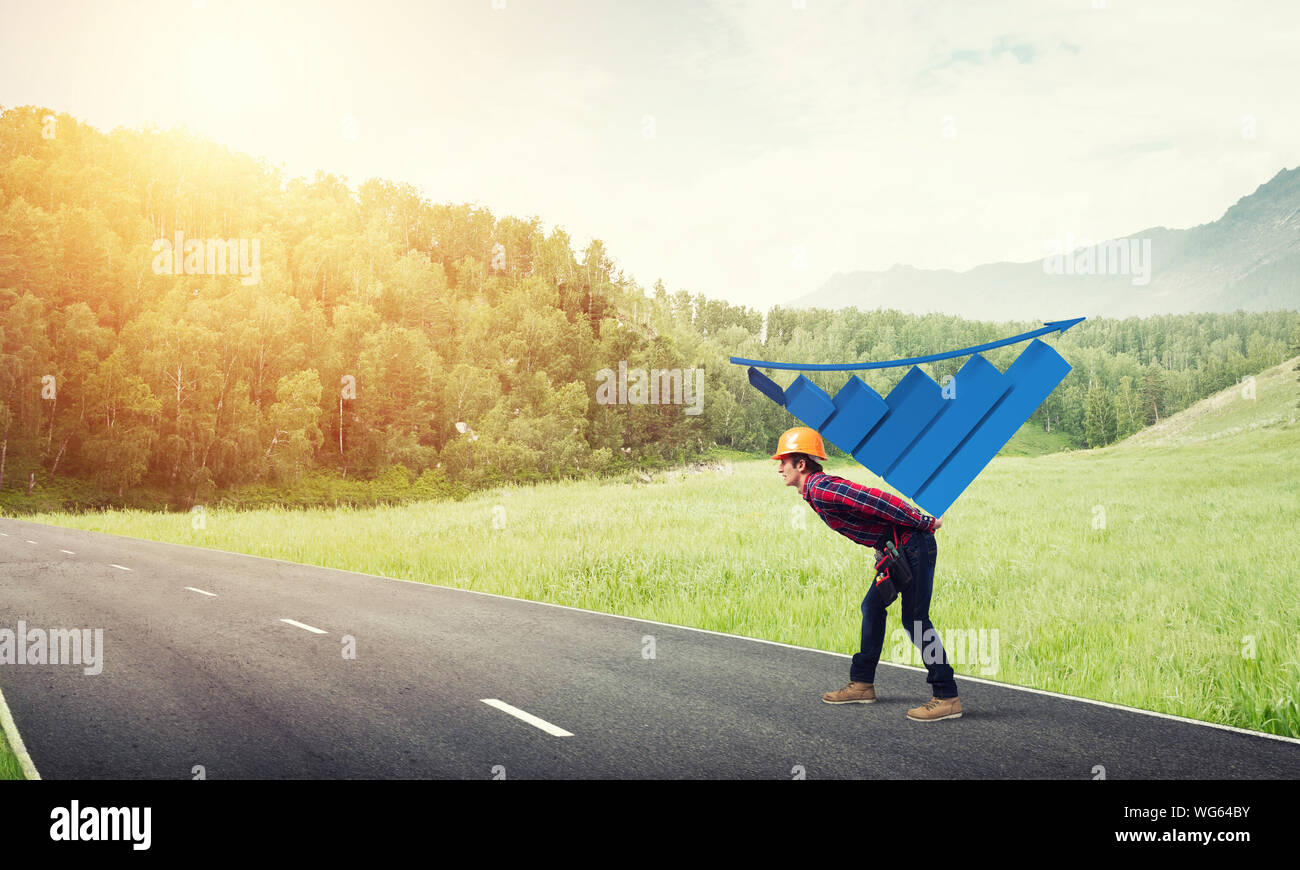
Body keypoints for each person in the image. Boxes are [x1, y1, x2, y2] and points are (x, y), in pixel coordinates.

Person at [773, 426, 962, 722]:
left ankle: (947, 696)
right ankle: (862, 684)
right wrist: (881, 549)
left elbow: (876, 501)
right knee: (872, 606)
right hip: (897, 549)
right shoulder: (813, 491)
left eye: (783, 461)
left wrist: (923, 522)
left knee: (915, 620)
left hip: (913, 544)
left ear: (801, 464)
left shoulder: (822, 488)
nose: (778, 467)